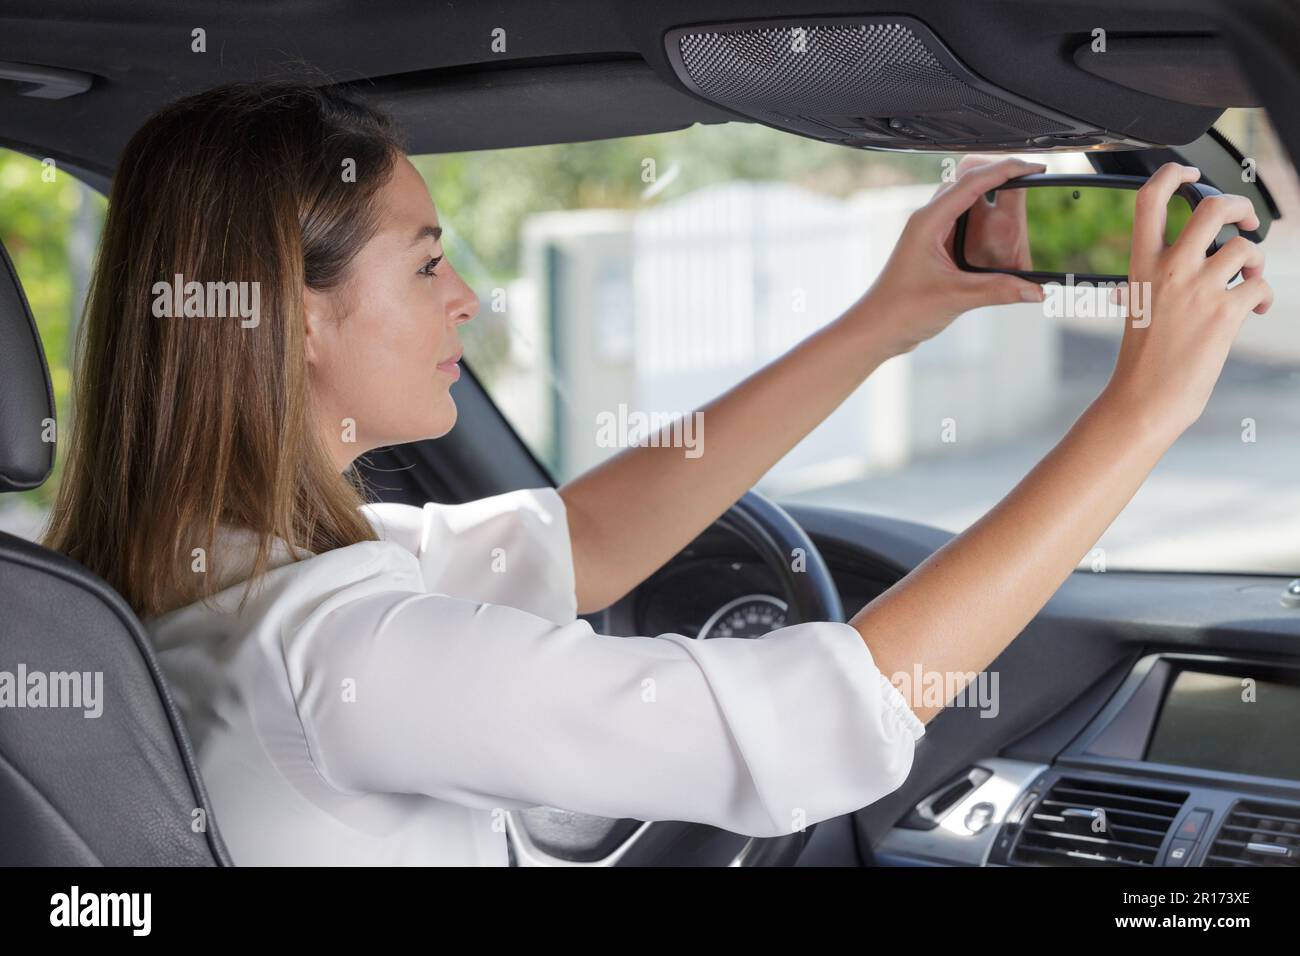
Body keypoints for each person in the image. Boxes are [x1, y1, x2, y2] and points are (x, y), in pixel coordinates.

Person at [42, 83, 1271, 865]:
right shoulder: (342, 650)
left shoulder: (185, 579)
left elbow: (580, 540)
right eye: (424, 266)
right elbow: (820, 720)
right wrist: (1137, 414)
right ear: (289, 317)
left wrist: (887, 318)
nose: (466, 294)